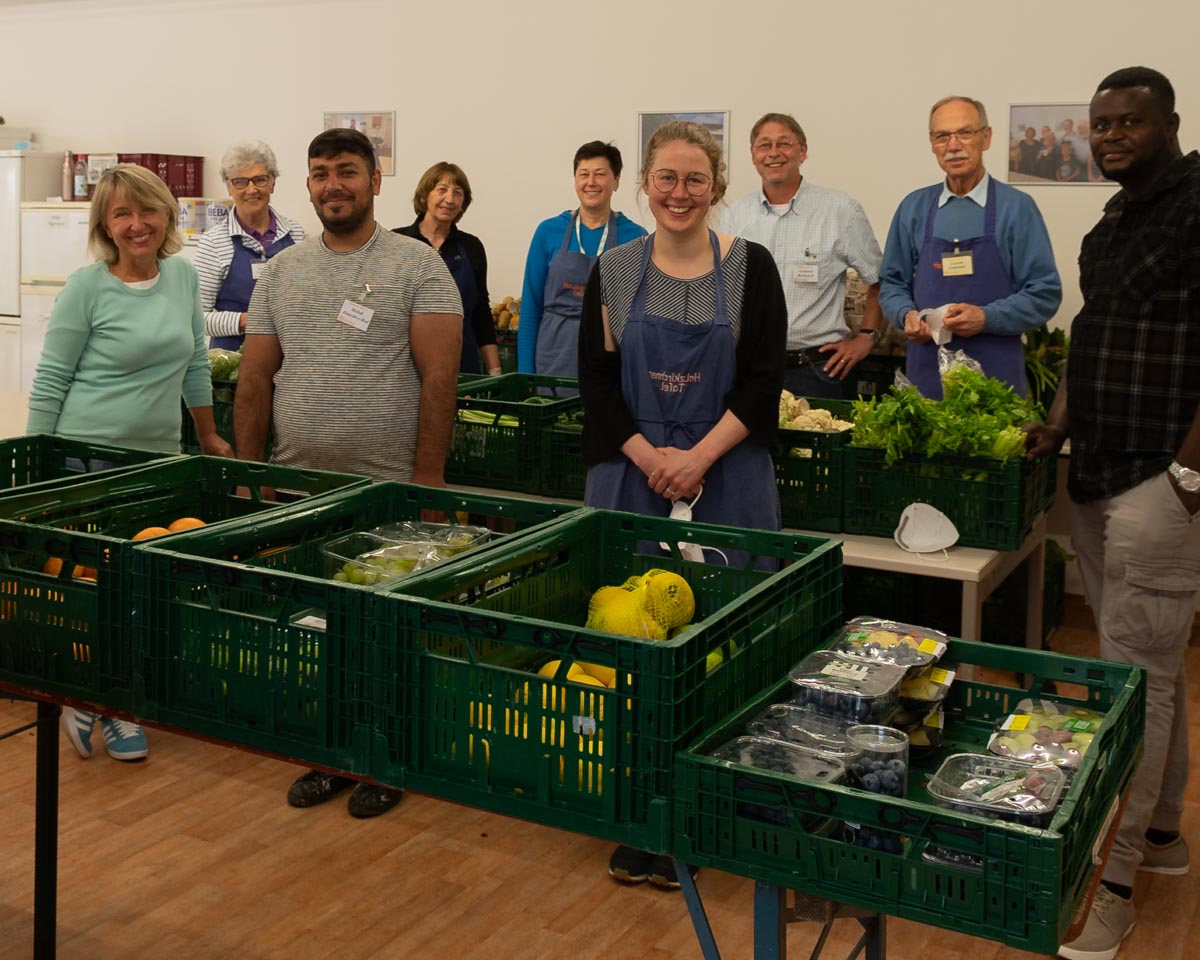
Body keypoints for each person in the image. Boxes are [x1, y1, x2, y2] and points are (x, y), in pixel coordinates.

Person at [578, 120, 786, 888]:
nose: (679, 193)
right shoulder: (615, 270)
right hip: (632, 476)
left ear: (717, 188)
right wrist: (652, 459)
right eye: (666, 178)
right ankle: (639, 810)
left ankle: (712, 809)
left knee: (725, 643)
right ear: (644, 184)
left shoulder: (751, 268)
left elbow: (764, 382)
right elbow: (596, 387)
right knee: (632, 641)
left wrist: (697, 458)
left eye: (695, 180)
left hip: (727, 474)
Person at [234, 127, 463, 818]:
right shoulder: (282, 270)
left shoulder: (417, 266)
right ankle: (329, 752)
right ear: (307, 184)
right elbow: (253, 379)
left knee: (386, 635)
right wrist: (246, 480)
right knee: (315, 630)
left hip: (388, 488)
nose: (333, 184)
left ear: (374, 181)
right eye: (321, 173)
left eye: (347, 172)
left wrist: (425, 482)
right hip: (300, 487)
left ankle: (387, 758)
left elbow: (441, 379)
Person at [1025, 67, 1200, 960]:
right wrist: (1055, 425)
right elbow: (1095, 333)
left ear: (1171, 121)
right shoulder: (1116, 218)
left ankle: (1115, 884)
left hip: (1158, 482)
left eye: (1131, 120)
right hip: (1097, 470)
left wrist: (1191, 477)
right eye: (1101, 124)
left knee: (1136, 684)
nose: (1113, 134)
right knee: (1143, 667)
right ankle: (1162, 837)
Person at [26, 163, 234, 762]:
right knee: (99, 590)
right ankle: (104, 703)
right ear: (106, 225)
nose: (137, 224)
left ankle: (106, 699)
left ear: (167, 215)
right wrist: (39, 467)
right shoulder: (86, 287)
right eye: (122, 213)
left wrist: (209, 435)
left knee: (144, 588)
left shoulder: (183, 278)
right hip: (85, 462)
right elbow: (50, 382)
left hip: (157, 463)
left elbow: (196, 360)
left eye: (147, 210)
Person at [879, 95, 1062, 399]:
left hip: (996, 383)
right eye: (942, 136)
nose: (953, 145)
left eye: (965, 133)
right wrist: (905, 314)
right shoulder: (914, 208)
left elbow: (1044, 293)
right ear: (932, 144)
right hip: (927, 381)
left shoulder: (1016, 209)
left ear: (985, 138)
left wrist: (986, 317)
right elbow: (891, 283)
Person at [719, 112, 884, 399]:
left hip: (817, 370)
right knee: (752, 446)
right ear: (753, 154)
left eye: (784, 143)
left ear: (803, 151)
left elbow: (880, 280)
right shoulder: (735, 217)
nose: (774, 153)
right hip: (750, 367)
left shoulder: (841, 210)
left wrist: (866, 338)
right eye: (764, 145)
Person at [517, 141, 646, 376]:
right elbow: (531, 306)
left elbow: (641, 315)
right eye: (583, 174)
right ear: (575, 180)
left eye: (600, 174)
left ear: (616, 180)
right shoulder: (548, 231)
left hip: (609, 363)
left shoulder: (636, 237)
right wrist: (525, 374)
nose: (591, 182)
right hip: (553, 358)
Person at [194, 140, 305, 350]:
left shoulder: (296, 233)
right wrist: (250, 320)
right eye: (240, 182)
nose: (251, 190)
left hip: (289, 356)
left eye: (260, 180)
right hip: (232, 365)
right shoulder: (214, 243)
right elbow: (197, 319)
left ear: (273, 182)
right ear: (228, 187)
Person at [394, 162, 500, 376]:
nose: (449, 200)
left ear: (463, 203)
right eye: (442, 190)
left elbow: (481, 312)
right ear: (425, 196)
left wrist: (495, 371)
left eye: (457, 193)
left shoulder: (472, 247)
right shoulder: (397, 242)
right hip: (406, 369)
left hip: (463, 366)